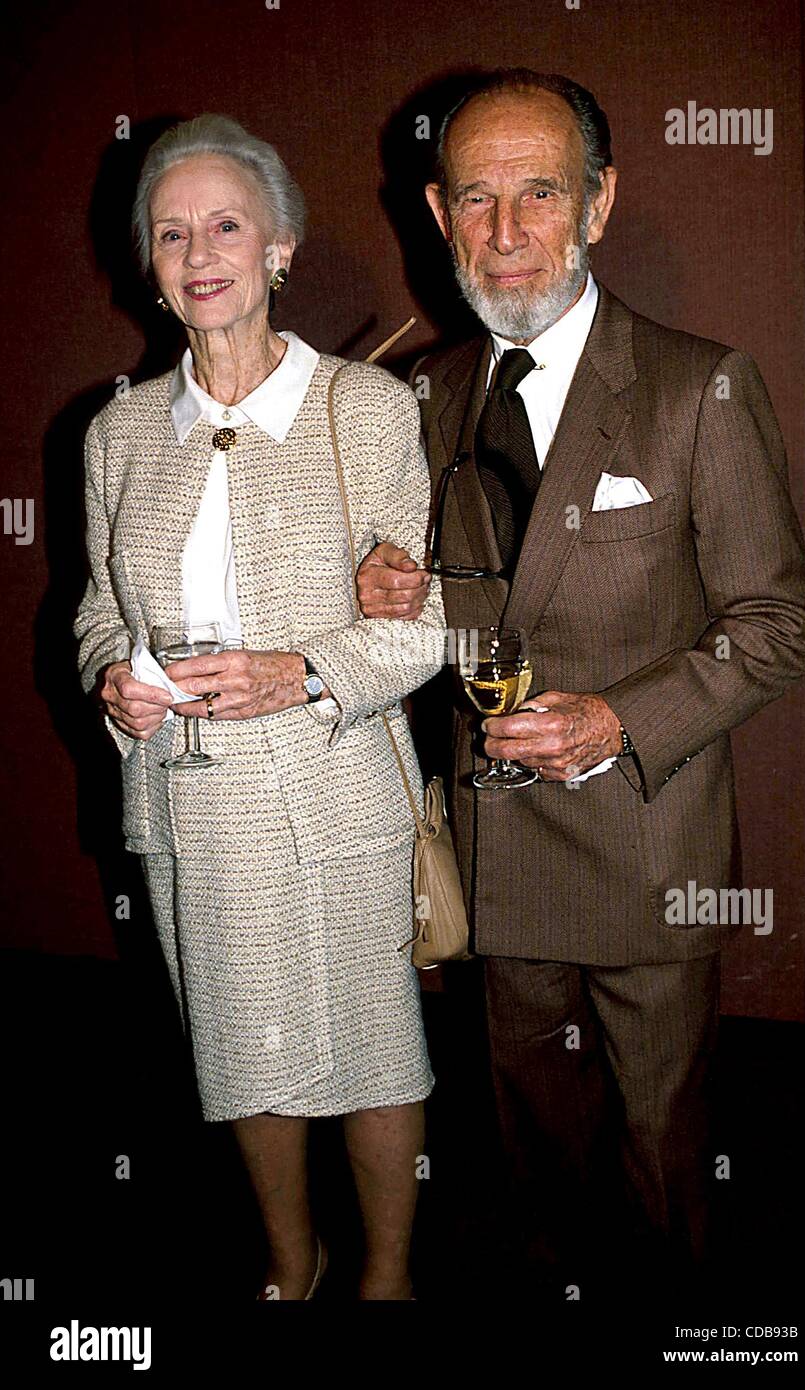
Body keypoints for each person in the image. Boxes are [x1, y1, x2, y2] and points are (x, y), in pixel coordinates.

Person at [356, 69, 805, 1293]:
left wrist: (620, 718)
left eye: (541, 193)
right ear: (438, 213)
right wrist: (387, 589)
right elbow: (444, 607)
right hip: (498, 857)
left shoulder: (698, 384)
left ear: (599, 203)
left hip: (644, 850)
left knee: (664, 1162)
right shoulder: (419, 398)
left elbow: (779, 624)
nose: (505, 230)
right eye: (475, 197)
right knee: (533, 1157)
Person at [74, 113, 445, 1301]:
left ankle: (386, 1275)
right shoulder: (118, 434)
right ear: (150, 264)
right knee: (239, 1053)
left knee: (373, 1052)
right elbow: (99, 610)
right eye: (171, 232)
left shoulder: (365, 409)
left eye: (226, 225)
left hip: (336, 793)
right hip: (193, 808)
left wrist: (302, 671)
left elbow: (421, 625)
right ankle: (294, 1258)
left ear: (278, 246)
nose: (200, 253)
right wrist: (112, 680)